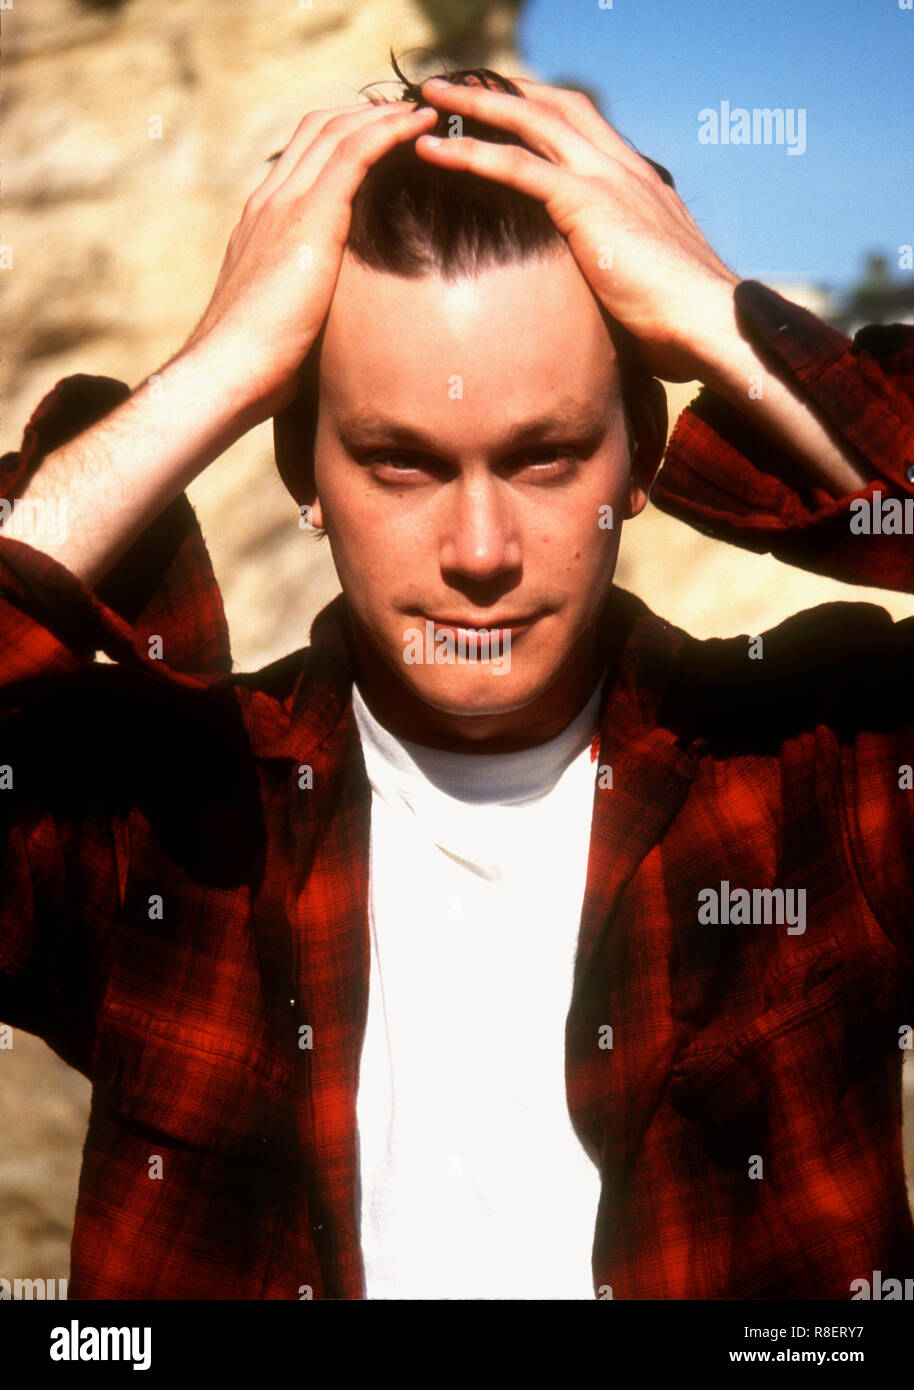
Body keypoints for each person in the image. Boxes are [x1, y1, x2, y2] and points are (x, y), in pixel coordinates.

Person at [1, 60, 913, 1301]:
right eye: (399, 464)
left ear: (637, 457)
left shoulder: (826, 779)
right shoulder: (159, 826)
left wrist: (709, 310)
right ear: (301, 473)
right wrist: (219, 365)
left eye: (543, 459)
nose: (479, 553)